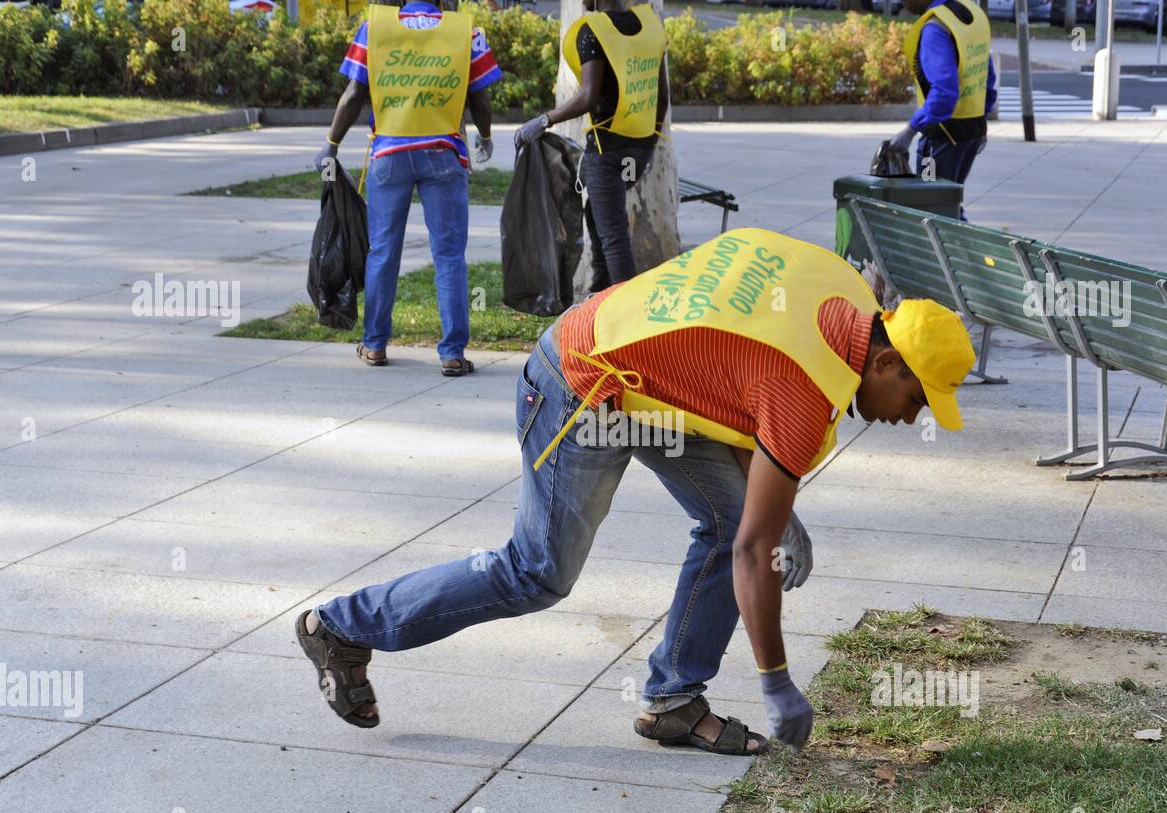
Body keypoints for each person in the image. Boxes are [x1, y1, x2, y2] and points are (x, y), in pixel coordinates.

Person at [296, 228, 977, 755]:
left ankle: (674, 699)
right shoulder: (806, 392)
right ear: (885, 360)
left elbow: (747, 378)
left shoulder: (847, 290)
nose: (912, 417)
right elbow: (752, 550)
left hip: (644, 378)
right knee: (536, 572)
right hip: (578, 382)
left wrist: (777, 504)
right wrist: (775, 679)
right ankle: (341, 626)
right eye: (917, 398)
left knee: (733, 520)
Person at [316, 0, 500, 376]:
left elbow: (354, 94)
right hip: (444, 153)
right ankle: (452, 352)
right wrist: (485, 135)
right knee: (449, 254)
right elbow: (479, 97)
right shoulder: (466, 31)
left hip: (390, 154)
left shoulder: (375, 27)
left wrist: (331, 144)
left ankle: (375, 345)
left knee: (383, 250)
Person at [514, 0, 669, 293]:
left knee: (613, 236)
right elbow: (662, 98)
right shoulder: (650, 25)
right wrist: (649, 143)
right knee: (599, 215)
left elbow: (588, 96)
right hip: (639, 148)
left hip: (609, 149)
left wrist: (544, 120)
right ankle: (599, 292)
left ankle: (627, 313)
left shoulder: (593, 31)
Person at [891, 0, 997, 206]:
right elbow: (987, 76)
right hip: (970, 132)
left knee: (931, 205)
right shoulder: (972, 16)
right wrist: (981, 119)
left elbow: (944, 92)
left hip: (941, 139)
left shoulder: (936, 28)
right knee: (947, 204)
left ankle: (962, 238)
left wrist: (910, 130)